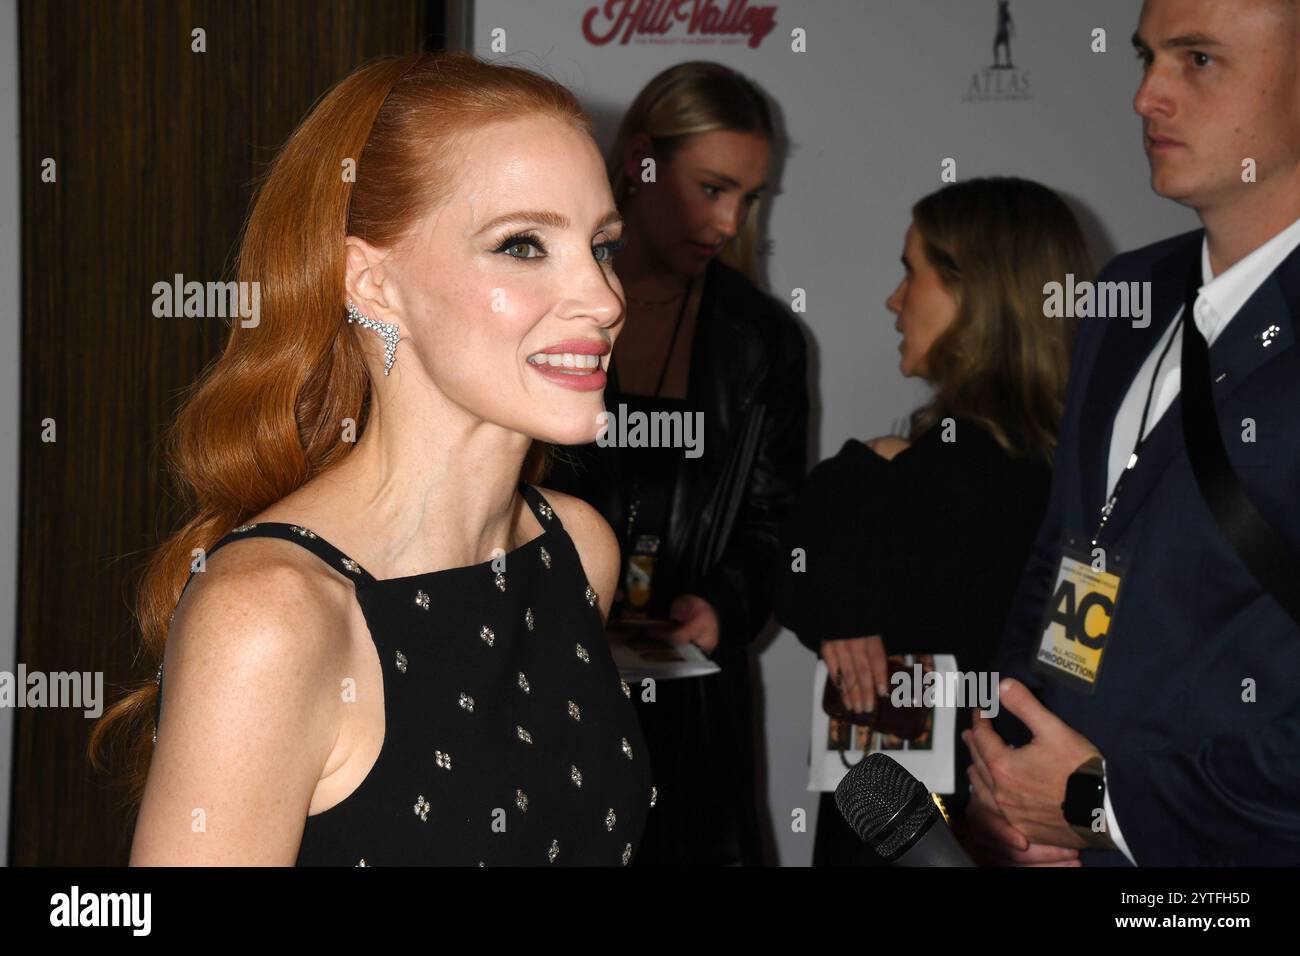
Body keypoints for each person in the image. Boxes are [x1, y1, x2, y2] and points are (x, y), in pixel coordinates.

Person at [93, 51, 655, 865]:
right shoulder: (273, 616)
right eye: (525, 244)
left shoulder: (576, 550)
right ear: (373, 284)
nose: (605, 300)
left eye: (603, 246)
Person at [967, 0, 1300, 866]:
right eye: (1147, 56)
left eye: (1198, 60)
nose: (1147, 94)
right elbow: (1069, 551)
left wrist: (1105, 807)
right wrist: (1015, 771)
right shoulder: (1128, 295)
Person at [773, 177, 1088, 866]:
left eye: (910, 273)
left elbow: (791, 574)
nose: (894, 300)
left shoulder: (919, 481)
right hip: (1008, 827)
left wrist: (864, 469)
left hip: (916, 833)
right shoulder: (1086, 470)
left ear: (974, 293)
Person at [544, 61, 809, 866]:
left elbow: (775, 522)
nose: (728, 222)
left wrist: (720, 609)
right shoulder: (549, 307)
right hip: (552, 676)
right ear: (642, 162)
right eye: (712, 188)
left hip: (695, 705)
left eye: (748, 198)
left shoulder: (762, 337)